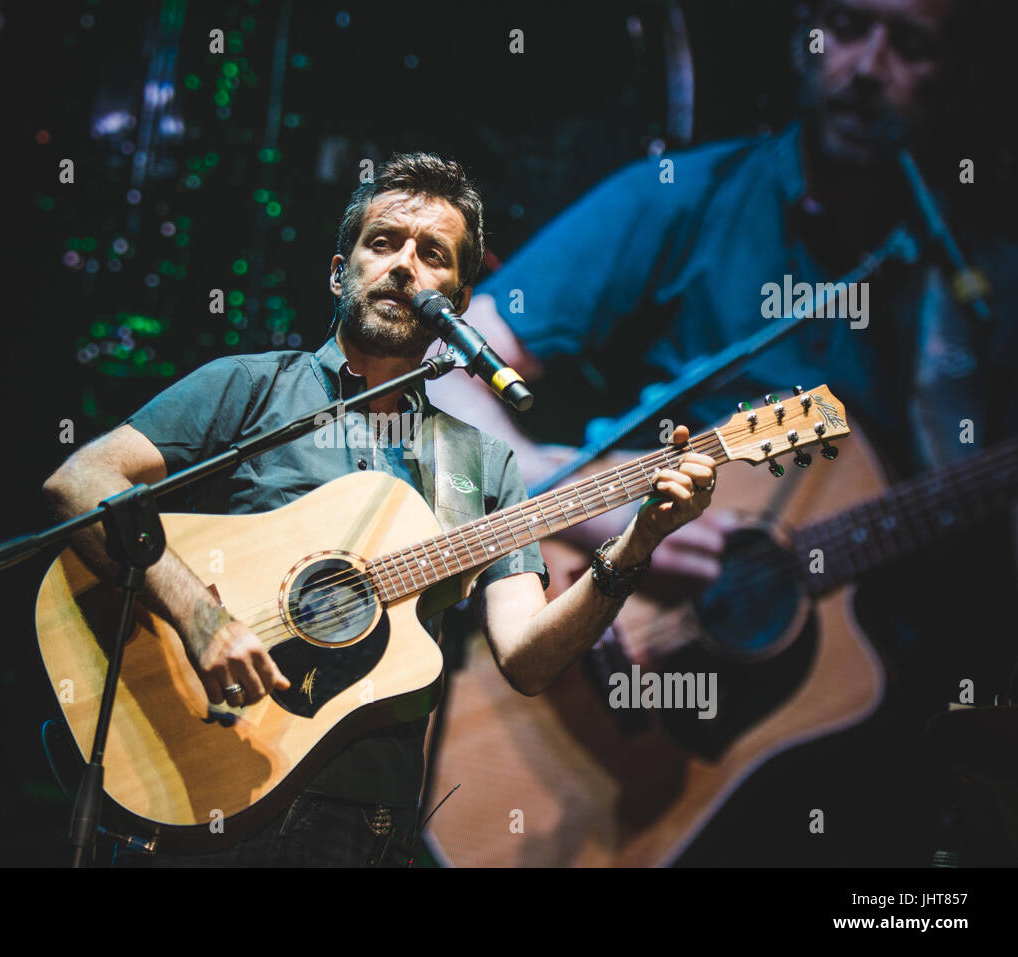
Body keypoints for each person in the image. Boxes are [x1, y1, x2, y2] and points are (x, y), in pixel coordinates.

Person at [427, 0, 1018, 863]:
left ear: (956, 75)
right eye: (850, 25)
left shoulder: (974, 282)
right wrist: (605, 520)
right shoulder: (687, 197)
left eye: (912, 43)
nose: (867, 64)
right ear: (802, 37)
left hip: (868, 768)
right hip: (609, 670)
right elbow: (442, 381)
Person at [42, 152, 718, 866]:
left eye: (432, 254)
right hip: (205, 790)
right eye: (384, 242)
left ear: (456, 306)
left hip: (365, 830)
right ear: (341, 273)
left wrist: (634, 544)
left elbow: (526, 657)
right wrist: (201, 617)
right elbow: (80, 484)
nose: (404, 265)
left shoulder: (485, 464)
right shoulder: (248, 390)